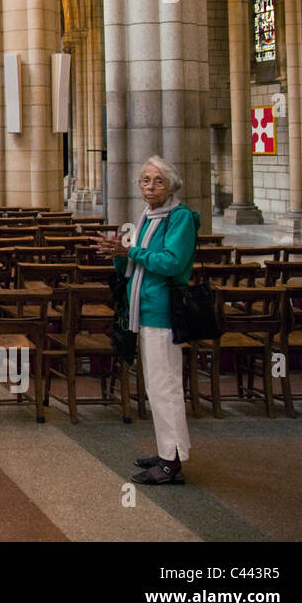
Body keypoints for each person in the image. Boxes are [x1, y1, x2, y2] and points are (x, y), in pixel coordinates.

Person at [92, 155, 198, 486]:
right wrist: (116, 255)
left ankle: (172, 462)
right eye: (145, 180)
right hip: (145, 309)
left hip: (163, 312)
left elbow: (171, 262)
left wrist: (130, 253)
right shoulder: (149, 216)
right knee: (155, 384)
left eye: (157, 181)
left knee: (165, 386)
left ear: (171, 186)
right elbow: (133, 263)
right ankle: (168, 451)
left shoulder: (179, 219)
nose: (149, 186)